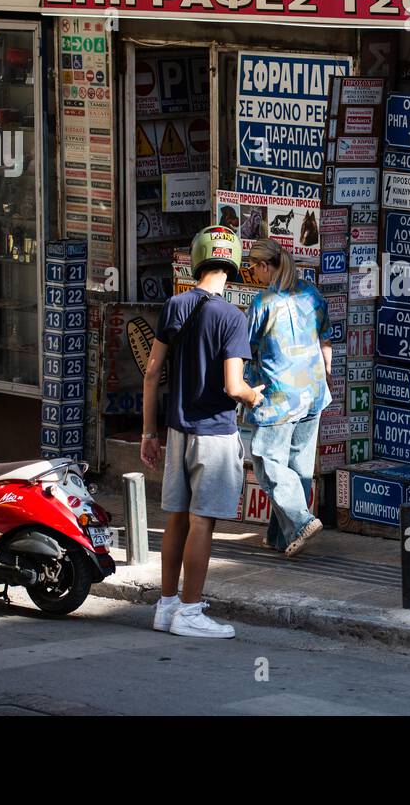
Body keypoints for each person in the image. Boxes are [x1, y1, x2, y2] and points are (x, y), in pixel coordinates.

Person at [141, 227, 263, 638]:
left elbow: (152, 371)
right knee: (202, 521)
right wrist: (252, 395)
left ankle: (167, 604)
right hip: (214, 433)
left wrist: (147, 433)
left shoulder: (175, 304)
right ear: (234, 263)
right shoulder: (232, 317)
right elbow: (233, 385)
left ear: (197, 260)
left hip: (176, 430)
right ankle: (190, 612)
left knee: (176, 517)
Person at [244, 238, 332, 557]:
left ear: (265, 266)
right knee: (298, 465)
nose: (253, 275)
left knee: (266, 459)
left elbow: (241, 348)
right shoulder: (312, 293)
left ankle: (298, 521)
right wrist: (324, 375)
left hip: (279, 394)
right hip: (313, 390)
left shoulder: (263, 302)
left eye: (253, 269)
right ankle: (281, 536)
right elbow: (326, 340)